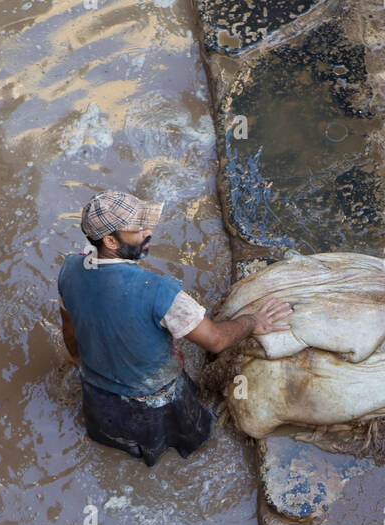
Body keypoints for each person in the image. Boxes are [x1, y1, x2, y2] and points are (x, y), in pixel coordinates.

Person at [58, 191, 291, 467]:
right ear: (110, 241)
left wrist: (80, 364)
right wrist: (253, 322)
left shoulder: (70, 269)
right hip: (154, 406)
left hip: (99, 399)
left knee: (121, 448)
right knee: (195, 441)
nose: (148, 233)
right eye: (138, 229)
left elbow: (70, 332)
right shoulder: (161, 292)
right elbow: (215, 340)